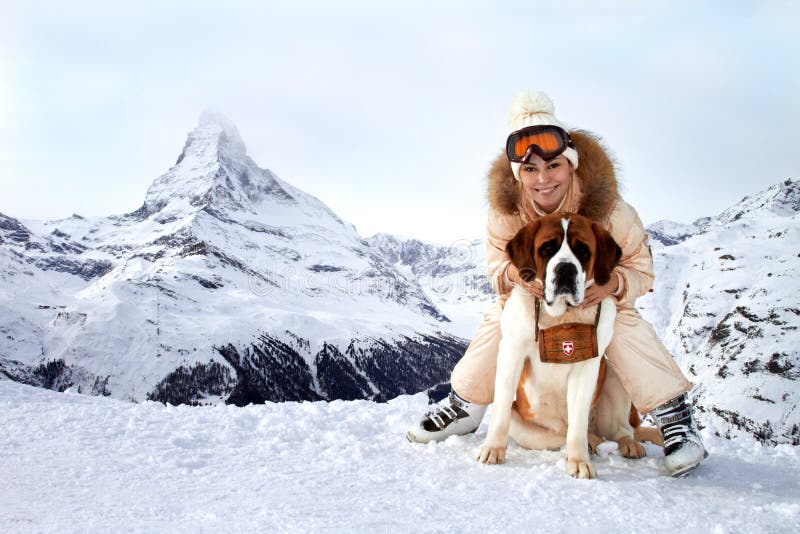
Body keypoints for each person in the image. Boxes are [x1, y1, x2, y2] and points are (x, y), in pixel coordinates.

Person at [406, 91, 707, 477]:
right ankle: (466, 403)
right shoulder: (506, 212)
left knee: (621, 319)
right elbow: (498, 269)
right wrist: (518, 275)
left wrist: (613, 282)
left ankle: (674, 415)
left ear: (572, 166)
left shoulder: (612, 210)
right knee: (503, 316)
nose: (543, 179)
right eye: (530, 170)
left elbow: (642, 272)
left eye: (553, 165)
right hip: (534, 296)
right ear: (519, 176)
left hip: (595, 295)